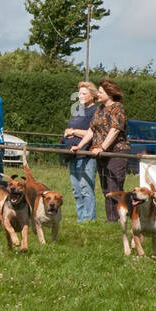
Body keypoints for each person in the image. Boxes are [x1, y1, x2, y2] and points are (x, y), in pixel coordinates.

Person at [86, 79, 130, 222]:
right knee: (105, 187)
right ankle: (110, 219)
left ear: (109, 94)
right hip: (101, 154)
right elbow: (92, 130)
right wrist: (79, 146)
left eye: (100, 92)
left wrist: (102, 147)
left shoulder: (117, 107)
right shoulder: (99, 109)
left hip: (116, 152)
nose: (97, 94)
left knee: (114, 186)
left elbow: (115, 130)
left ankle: (118, 218)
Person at [62, 81, 98, 222]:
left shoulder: (96, 111)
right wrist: (68, 132)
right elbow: (71, 128)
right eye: (79, 94)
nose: (81, 96)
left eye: (84, 93)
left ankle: (89, 220)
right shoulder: (78, 110)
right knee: (76, 190)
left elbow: (94, 133)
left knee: (85, 188)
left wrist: (75, 131)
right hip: (73, 155)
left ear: (93, 95)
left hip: (86, 155)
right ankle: (80, 219)